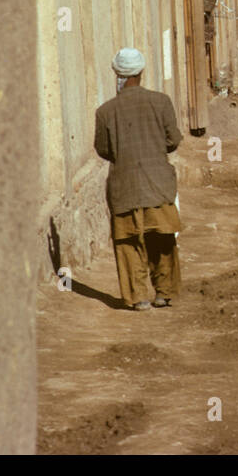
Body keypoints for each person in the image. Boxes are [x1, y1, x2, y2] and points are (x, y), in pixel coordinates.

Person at [94, 48, 183, 310]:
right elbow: (173, 140)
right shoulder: (162, 101)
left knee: (128, 242)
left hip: (125, 188)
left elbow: (103, 149)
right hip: (159, 185)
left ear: (117, 74)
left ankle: (137, 297)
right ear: (141, 73)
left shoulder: (105, 112)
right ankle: (164, 292)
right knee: (163, 239)